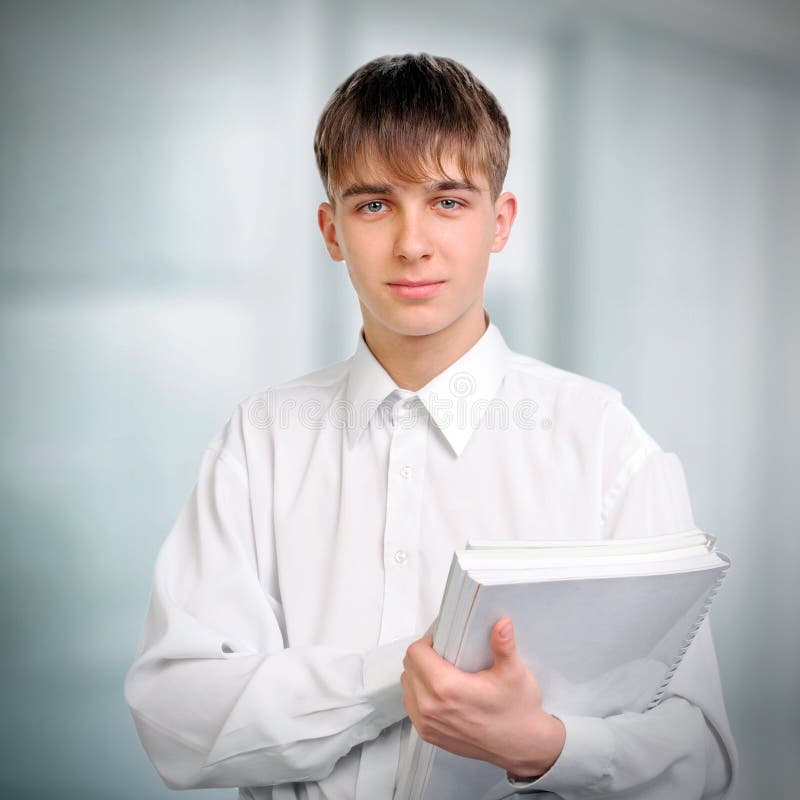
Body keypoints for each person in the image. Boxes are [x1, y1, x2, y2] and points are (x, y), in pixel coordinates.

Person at [124, 53, 737, 799]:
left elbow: (699, 757)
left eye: (448, 202)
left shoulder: (603, 442)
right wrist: (400, 673)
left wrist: (544, 745)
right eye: (375, 205)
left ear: (500, 222)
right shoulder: (263, 441)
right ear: (331, 229)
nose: (413, 243)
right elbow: (176, 719)